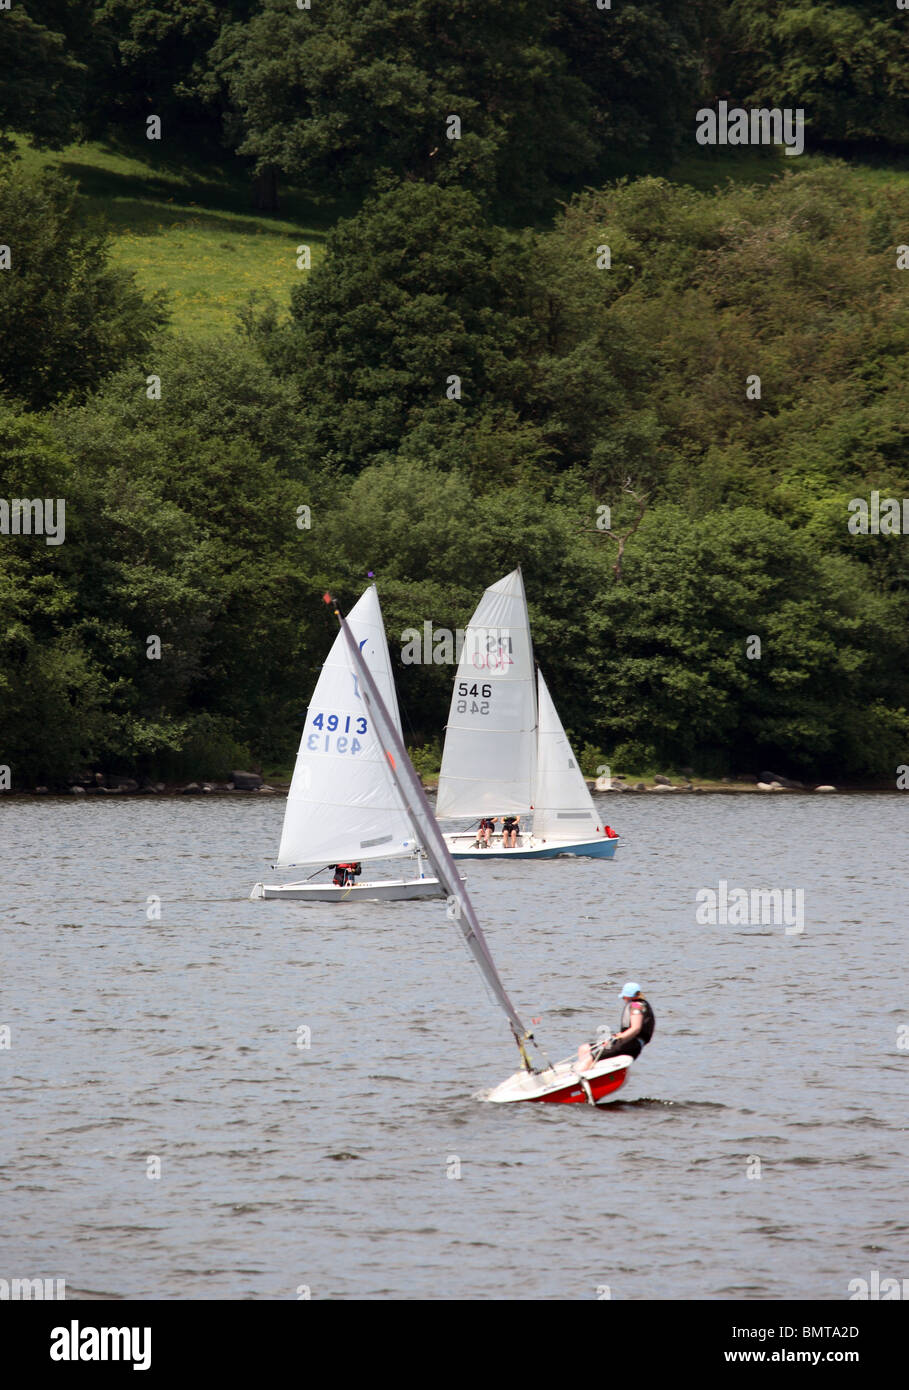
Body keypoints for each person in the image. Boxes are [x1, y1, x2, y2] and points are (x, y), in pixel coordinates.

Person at [591, 982, 655, 1061]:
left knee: (588, 1054)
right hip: (632, 1044)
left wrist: (617, 1038)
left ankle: (581, 1070)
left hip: (630, 1044)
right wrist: (617, 1036)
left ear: (628, 996)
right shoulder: (642, 1004)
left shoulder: (636, 1006)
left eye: (624, 996)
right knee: (584, 1048)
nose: (623, 999)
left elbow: (636, 1028)